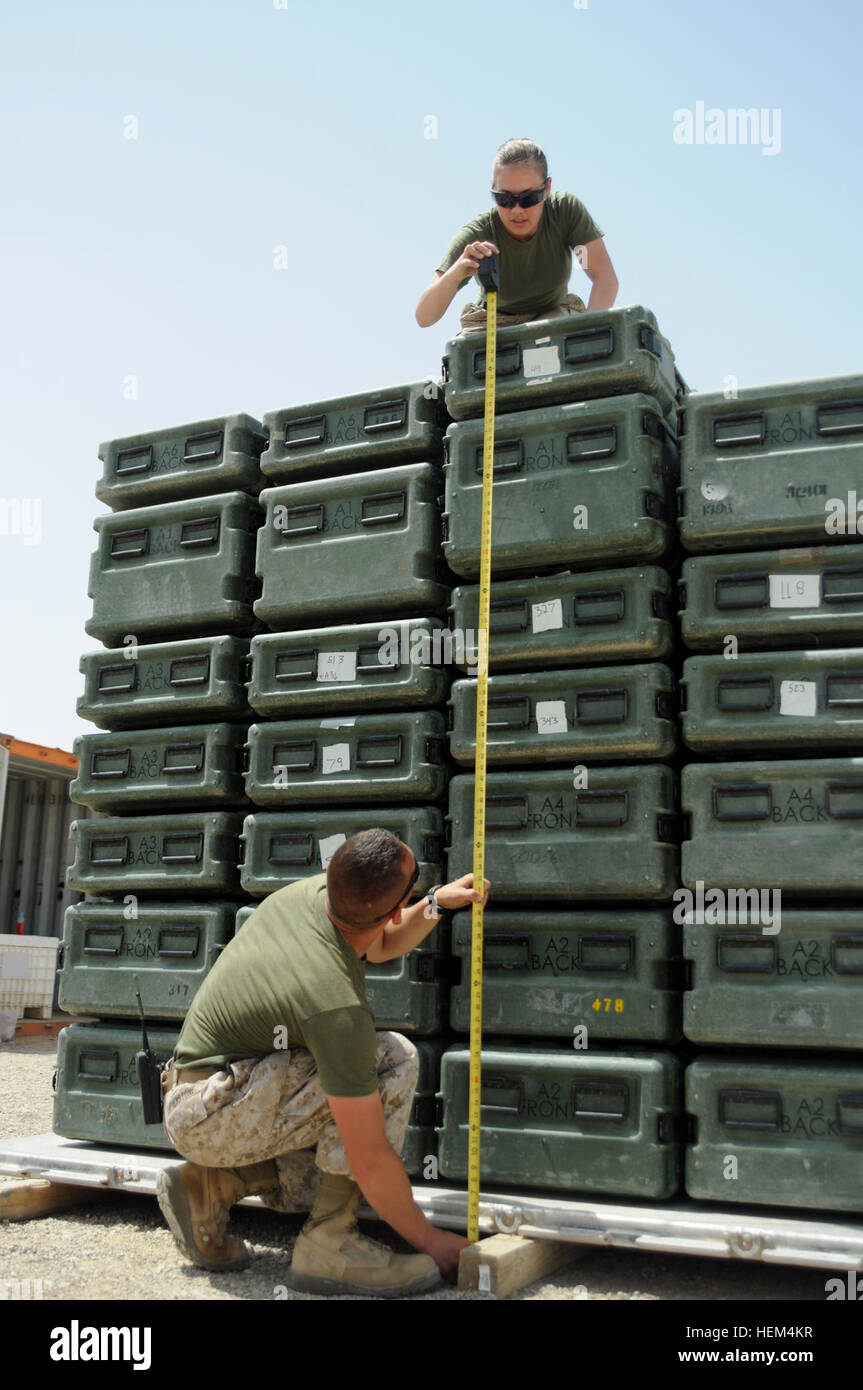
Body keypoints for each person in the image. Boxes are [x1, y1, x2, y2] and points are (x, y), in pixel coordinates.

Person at [155, 827, 488, 1297]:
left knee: (331, 1165)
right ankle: (330, 1246)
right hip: (212, 1112)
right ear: (392, 907)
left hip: (208, 1094)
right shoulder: (336, 1006)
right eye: (415, 883)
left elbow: (380, 941)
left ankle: (212, 1185)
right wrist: (432, 1241)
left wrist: (434, 902)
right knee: (391, 1063)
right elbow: (370, 1160)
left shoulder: (315, 894)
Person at [415, 137, 618, 335]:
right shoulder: (478, 234)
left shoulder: (564, 212)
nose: (517, 210)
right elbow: (424, 316)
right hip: (494, 325)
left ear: (547, 188)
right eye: (505, 199)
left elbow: (604, 277)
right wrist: (457, 271)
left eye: (529, 198)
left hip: (553, 318)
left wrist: (588, 335)